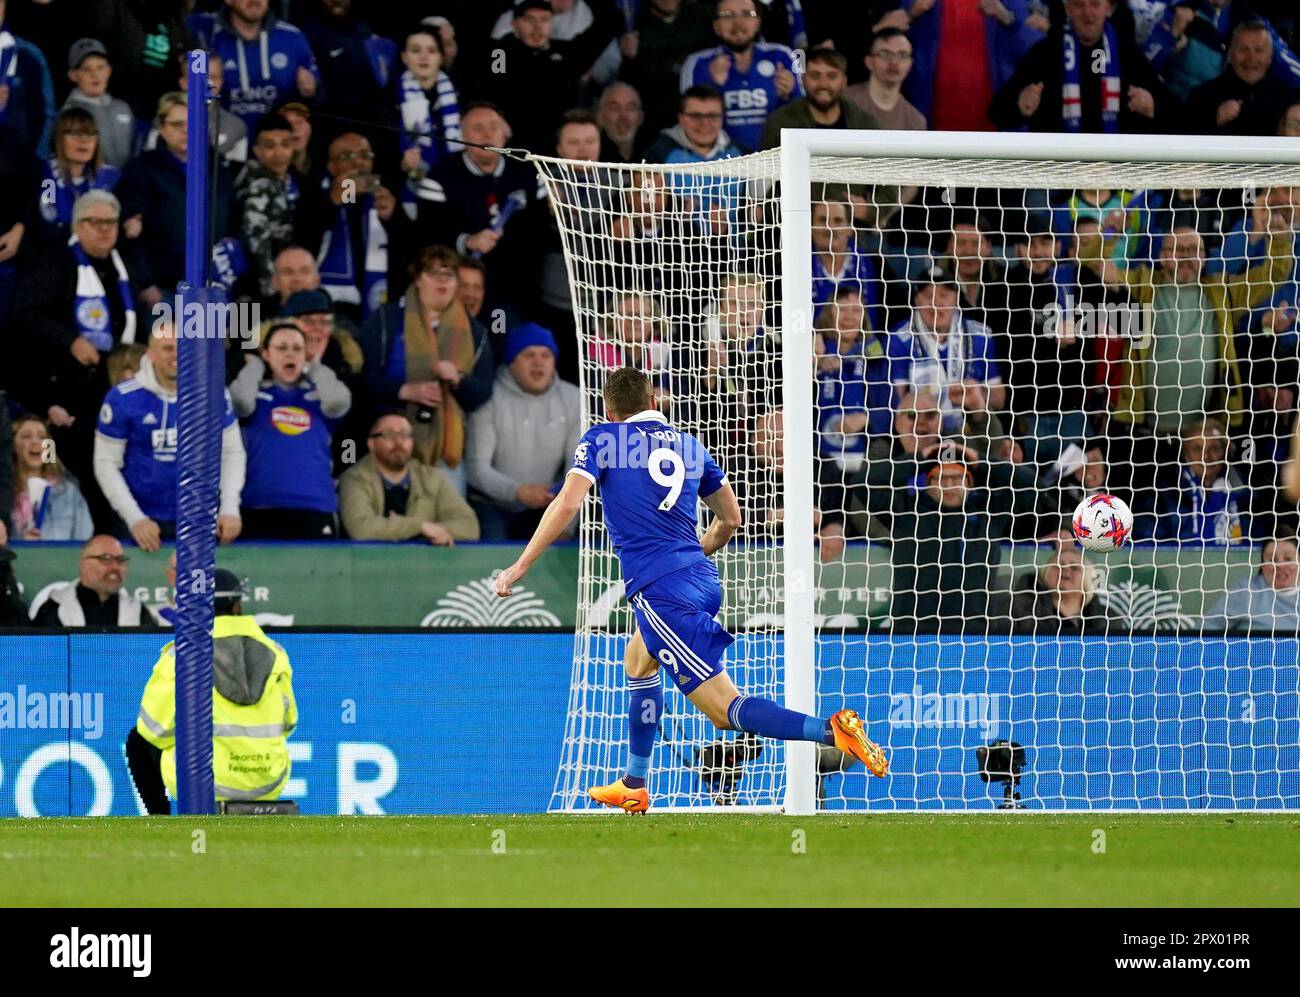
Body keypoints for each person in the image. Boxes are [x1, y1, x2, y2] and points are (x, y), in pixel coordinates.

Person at [494, 367, 888, 814]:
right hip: (698, 579)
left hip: (663, 591)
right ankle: (634, 783)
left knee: (723, 710)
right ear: (655, 403)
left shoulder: (601, 439)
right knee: (637, 661)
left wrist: (520, 565)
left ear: (609, 409)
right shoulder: (689, 445)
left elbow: (567, 503)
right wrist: (690, 555)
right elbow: (731, 519)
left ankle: (831, 731)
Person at [129, 569, 298, 814]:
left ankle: (160, 822)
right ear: (237, 605)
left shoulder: (181, 655)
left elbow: (155, 729)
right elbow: (289, 722)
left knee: (138, 741)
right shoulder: (275, 653)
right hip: (268, 781)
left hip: (203, 784)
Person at [355, 244, 495, 495]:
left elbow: (483, 393)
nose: (442, 280)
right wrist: (404, 391)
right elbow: (361, 380)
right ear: (418, 279)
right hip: (388, 448)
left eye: (449, 274)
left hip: (445, 454)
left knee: (448, 530)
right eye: (433, 272)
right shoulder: (386, 320)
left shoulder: (475, 331)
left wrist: (458, 380)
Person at [94, 324, 245, 551]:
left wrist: (229, 507)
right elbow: (106, 463)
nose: (177, 355)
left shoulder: (213, 394)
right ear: (151, 354)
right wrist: (135, 518)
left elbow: (232, 452)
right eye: (167, 348)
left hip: (199, 520)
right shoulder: (122, 398)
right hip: (140, 523)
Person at [229, 320, 351, 539]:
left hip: (316, 506)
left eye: (297, 349)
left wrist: (315, 364)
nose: (290, 355)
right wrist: (254, 366)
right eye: (281, 348)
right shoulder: (254, 394)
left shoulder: (319, 395)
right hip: (259, 505)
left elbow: (338, 402)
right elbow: (240, 405)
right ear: (266, 353)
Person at [467, 323, 581, 541]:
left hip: (549, 503)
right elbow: (476, 468)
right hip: (493, 504)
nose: (539, 362)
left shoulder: (573, 398)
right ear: (511, 363)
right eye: (529, 355)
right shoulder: (489, 400)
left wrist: (566, 525)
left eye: (546, 355)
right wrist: (518, 491)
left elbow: (576, 470)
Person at [989, 0, 1166, 133]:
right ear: (1067, 9)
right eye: (1079, 5)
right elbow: (996, 112)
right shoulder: (1045, 54)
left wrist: (1153, 107)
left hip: (1114, 173)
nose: (1087, 13)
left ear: (1108, 9)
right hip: (1058, 173)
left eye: (1095, 4)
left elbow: (1175, 115)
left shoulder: (1127, 55)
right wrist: (1019, 105)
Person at [679, 0, 802, 153]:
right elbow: (689, 123)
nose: (738, 23)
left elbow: (805, 117)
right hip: (721, 165)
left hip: (777, 160)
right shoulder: (698, 63)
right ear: (716, 26)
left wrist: (789, 95)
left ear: (758, 22)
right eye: (727, 15)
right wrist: (714, 85)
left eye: (746, 14)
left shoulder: (781, 56)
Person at [338, 411, 479, 543]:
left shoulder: (432, 478)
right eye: (389, 435)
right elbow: (361, 530)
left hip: (424, 565)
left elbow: (469, 526)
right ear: (371, 444)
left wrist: (432, 531)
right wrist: (420, 527)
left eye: (405, 435)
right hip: (367, 565)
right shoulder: (354, 478)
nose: (399, 442)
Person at [193, 0, 319, 134]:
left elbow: (318, 99)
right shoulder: (207, 36)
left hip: (277, 144)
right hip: (223, 141)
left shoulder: (292, 37)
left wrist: (310, 92)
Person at [1184, 20, 1300, 135]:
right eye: (1243, 50)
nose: (1251, 58)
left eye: (1258, 50)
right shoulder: (1203, 97)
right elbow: (1182, 143)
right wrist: (1214, 119)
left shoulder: (1290, 99)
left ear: (1270, 57)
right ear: (1231, 54)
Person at [235, 112, 301, 298]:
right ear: (256, 150)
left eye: (285, 145)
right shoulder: (258, 185)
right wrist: (271, 289)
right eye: (270, 146)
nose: (279, 153)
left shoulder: (292, 179)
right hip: (265, 287)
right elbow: (257, 243)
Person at [758, 49, 878, 150]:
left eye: (832, 76)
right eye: (815, 76)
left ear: (844, 81)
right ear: (803, 80)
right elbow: (766, 175)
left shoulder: (866, 125)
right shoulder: (780, 125)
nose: (823, 84)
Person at [30, 534, 154, 626]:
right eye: (106, 558)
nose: (115, 567)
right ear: (83, 564)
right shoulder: (55, 607)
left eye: (120, 560)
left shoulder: (137, 612)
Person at [9, 414, 93, 541]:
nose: (35, 442)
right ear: (13, 445)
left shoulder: (69, 493)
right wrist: (22, 543)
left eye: (42, 437)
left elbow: (84, 545)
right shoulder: (4, 495)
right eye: (26, 436)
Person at [1005, 544, 1122, 635]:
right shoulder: (1020, 614)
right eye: (1058, 566)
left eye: (1074, 567)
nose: (1065, 570)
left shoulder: (1108, 620)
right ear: (1044, 576)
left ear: (1087, 581)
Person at [61, 38, 134, 169]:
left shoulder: (123, 108)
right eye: (86, 69)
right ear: (73, 75)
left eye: (100, 67)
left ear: (109, 71)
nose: (95, 75)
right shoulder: (68, 114)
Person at [1201, 537, 1300, 632]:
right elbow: (1206, 628)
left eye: (1288, 559)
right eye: (1272, 560)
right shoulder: (1246, 591)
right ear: (1262, 565)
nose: (1280, 565)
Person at [844, 27, 928, 130]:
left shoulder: (915, 121)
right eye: (884, 54)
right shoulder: (844, 102)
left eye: (902, 55)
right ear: (869, 62)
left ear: (910, 64)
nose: (894, 62)